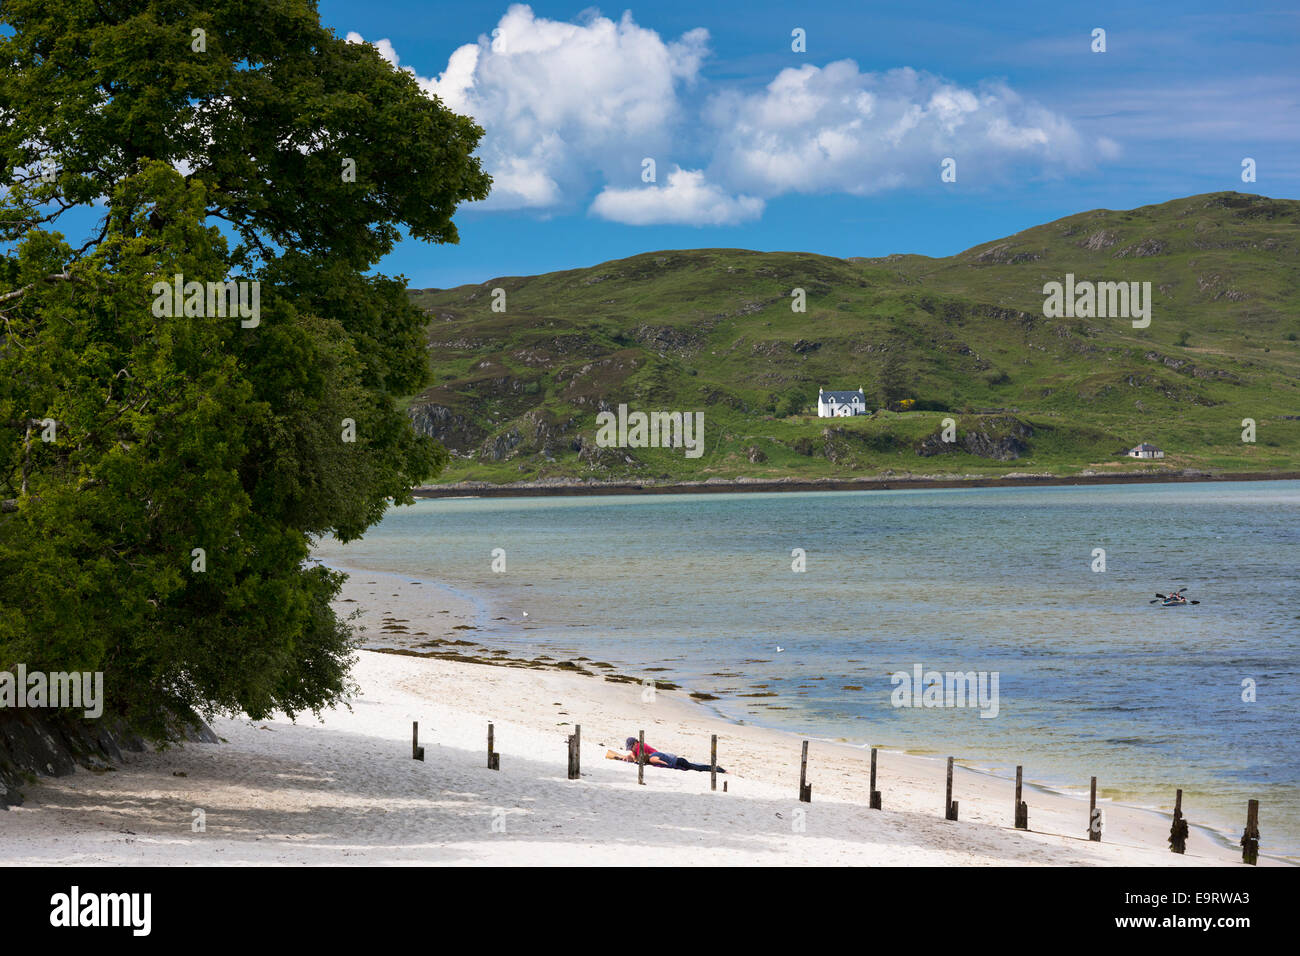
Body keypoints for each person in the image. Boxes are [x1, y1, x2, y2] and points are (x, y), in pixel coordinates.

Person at [612, 736, 725, 773]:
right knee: (693, 766)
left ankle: (717, 769)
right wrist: (624, 758)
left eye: (631, 746)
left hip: (665, 756)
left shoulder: (642, 747)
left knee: (695, 766)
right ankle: (715, 768)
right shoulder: (635, 750)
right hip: (664, 757)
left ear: (636, 743)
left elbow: (650, 759)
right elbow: (633, 756)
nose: (631, 749)